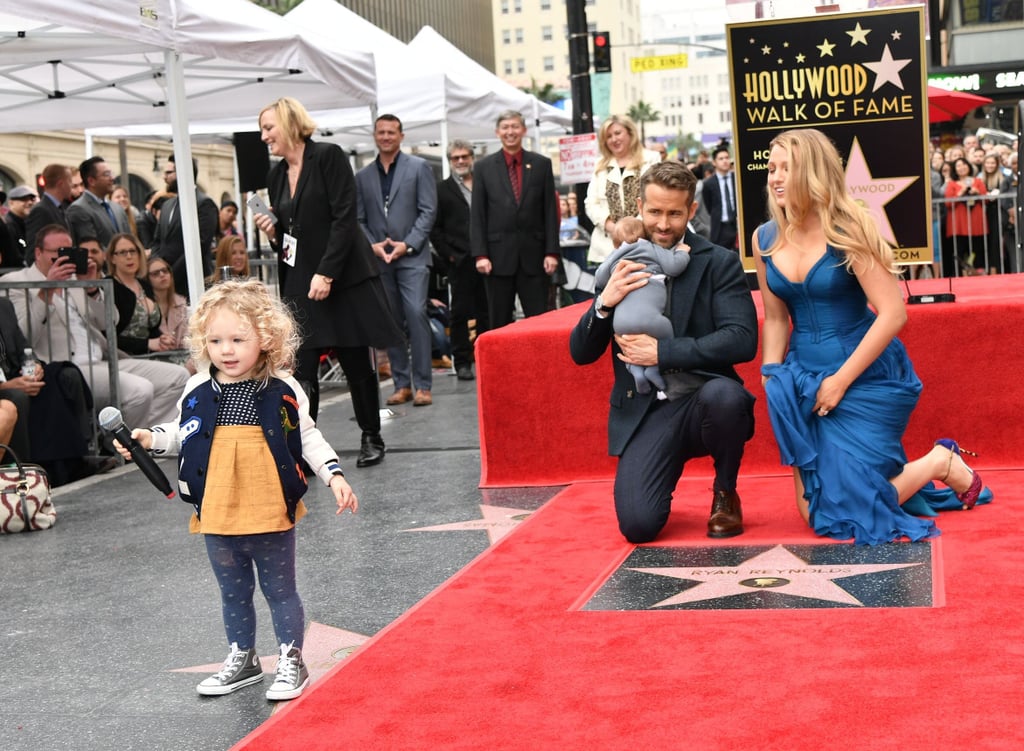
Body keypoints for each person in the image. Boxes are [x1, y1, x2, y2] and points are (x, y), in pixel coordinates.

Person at [114, 280, 358, 701]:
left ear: (265, 338)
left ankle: (290, 659)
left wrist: (333, 474)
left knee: (280, 590)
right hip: (218, 509)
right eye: (215, 340)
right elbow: (183, 433)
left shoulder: (283, 387)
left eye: (237, 339)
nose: (226, 350)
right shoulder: (197, 388)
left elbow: (307, 436)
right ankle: (242, 658)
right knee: (232, 591)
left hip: (269, 506)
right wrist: (149, 438)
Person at [753, 128, 990, 547]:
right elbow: (774, 318)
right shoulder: (764, 239)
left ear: (812, 172)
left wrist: (840, 381)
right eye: (772, 167)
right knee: (815, 514)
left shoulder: (848, 230)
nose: (776, 177)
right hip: (801, 380)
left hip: (863, 376)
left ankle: (938, 461)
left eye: (787, 168)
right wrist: (772, 377)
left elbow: (893, 313)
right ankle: (898, 477)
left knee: (849, 514)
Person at [569, 161, 758, 543]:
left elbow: (742, 339)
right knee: (638, 526)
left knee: (726, 395)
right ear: (639, 207)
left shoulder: (718, 261)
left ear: (691, 210)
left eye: (674, 213)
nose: (664, 224)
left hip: (704, 398)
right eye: (654, 211)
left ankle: (725, 492)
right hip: (647, 410)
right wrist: (604, 304)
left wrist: (663, 352)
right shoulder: (621, 261)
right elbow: (580, 352)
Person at [253, 97, 402, 468]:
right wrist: (274, 234)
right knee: (301, 367)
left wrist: (327, 272)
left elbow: (344, 218)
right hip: (301, 280)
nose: (263, 137)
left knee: (355, 359)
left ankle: (371, 435)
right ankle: (305, 444)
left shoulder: (329, 156)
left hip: (343, 277)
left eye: (268, 128)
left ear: (288, 123)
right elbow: (291, 236)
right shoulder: (275, 176)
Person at [6, 224, 189, 428]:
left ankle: (147, 440)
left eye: (70, 251)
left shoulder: (75, 279)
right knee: (140, 390)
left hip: (104, 358)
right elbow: (22, 334)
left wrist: (92, 288)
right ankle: (123, 447)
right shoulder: (16, 282)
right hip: (67, 368)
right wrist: (48, 290)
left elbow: (109, 322)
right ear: (38, 253)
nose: (65, 258)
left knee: (178, 377)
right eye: (58, 252)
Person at [355, 114, 438, 407]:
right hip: (380, 260)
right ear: (375, 136)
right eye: (381, 132)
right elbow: (358, 218)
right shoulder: (362, 176)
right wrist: (373, 246)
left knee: (416, 314)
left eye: (392, 132)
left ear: (402, 136)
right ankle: (402, 384)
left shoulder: (418, 168)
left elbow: (428, 211)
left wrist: (408, 244)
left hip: (412, 257)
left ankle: (423, 385)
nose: (386, 136)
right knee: (390, 320)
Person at [470, 110, 559, 330]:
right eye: (505, 127)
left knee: (539, 322)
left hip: (535, 257)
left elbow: (549, 210)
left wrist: (552, 252)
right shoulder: (483, 168)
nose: (510, 132)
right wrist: (481, 254)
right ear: (497, 132)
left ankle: (539, 364)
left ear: (524, 130)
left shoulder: (541, 164)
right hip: (497, 259)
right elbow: (478, 214)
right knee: (499, 322)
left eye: (515, 126)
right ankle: (501, 366)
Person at [593, 217, 691, 394]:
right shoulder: (649, 247)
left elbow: (599, 277)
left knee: (629, 347)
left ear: (615, 244)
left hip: (621, 323)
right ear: (646, 236)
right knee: (667, 336)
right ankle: (654, 369)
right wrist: (682, 252)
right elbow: (674, 267)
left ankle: (636, 370)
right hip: (651, 319)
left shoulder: (616, 255)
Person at [429, 140, 489, 381]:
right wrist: (450, 256)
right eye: (456, 158)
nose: (461, 161)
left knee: (488, 311)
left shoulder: (484, 184)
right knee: (460, 312)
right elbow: (435, 228)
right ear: (450, 161)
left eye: (465, 156)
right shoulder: (441, 189)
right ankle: (462, 361)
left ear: (472, 157)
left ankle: (484, 357)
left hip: (487, 258)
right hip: (459, 260)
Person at [584, 114, 661, 266]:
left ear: (630, 133)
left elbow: (654, 199)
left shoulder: (651, 158)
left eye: (618, 133)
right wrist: (613, 228)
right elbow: (591, 203)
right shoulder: (599, 165)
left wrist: (633, 230)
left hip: (645, 242)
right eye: (608, 136)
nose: (614, 139)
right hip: (606, 248)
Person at [150, 154, 220, 300]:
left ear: (183, 172)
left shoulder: (204, 204)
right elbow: (157, 241)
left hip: (193, 283)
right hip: (166, 285)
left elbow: (199, 245)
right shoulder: (167, 204)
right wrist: (159, 270)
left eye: (169, 172)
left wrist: (172, 273)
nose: (164, 177)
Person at [107, 233, 174, 356]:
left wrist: (162, 339)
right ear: (112, 258)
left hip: (150, 354)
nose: (129, 256)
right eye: (122, 252)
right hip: (122, 357)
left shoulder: (144, 285)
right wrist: (147, 343)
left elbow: (151, 329)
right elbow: (107, 338)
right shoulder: (108, 286)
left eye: (133, 251)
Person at [65, 156, 130, 248]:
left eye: (111, 173)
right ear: (91, 181)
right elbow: (91, 249)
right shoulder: (79, 209)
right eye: (106, 174)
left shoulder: (117, 208)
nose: (112, 178)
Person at [944, 157, 988, 276]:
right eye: (958, 166)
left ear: (968, 166)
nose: (962, 167)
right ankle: (960, 272)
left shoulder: (977, 181)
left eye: (964, 164)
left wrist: (977, 193)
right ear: (955, 169)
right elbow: (948, 203)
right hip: (959, 224)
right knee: (959, 250)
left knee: (978, 248)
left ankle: (978, 270)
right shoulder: (952, 184)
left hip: (976, 222)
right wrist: (960, 193)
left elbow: (986, 199)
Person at [25, 163, 72, 252]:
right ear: (60, 184)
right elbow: (33, 248)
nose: (71, 185)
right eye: (69, 181)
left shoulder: (61, 208)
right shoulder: (41, 211)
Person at [701, 145, 739, 250]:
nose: (725, 161)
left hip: (736, 226)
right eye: (721, 159)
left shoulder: (737, 179)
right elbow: (709, 206)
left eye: (727, 158)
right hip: (720, 227)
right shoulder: (709, 183)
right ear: (714, 162)